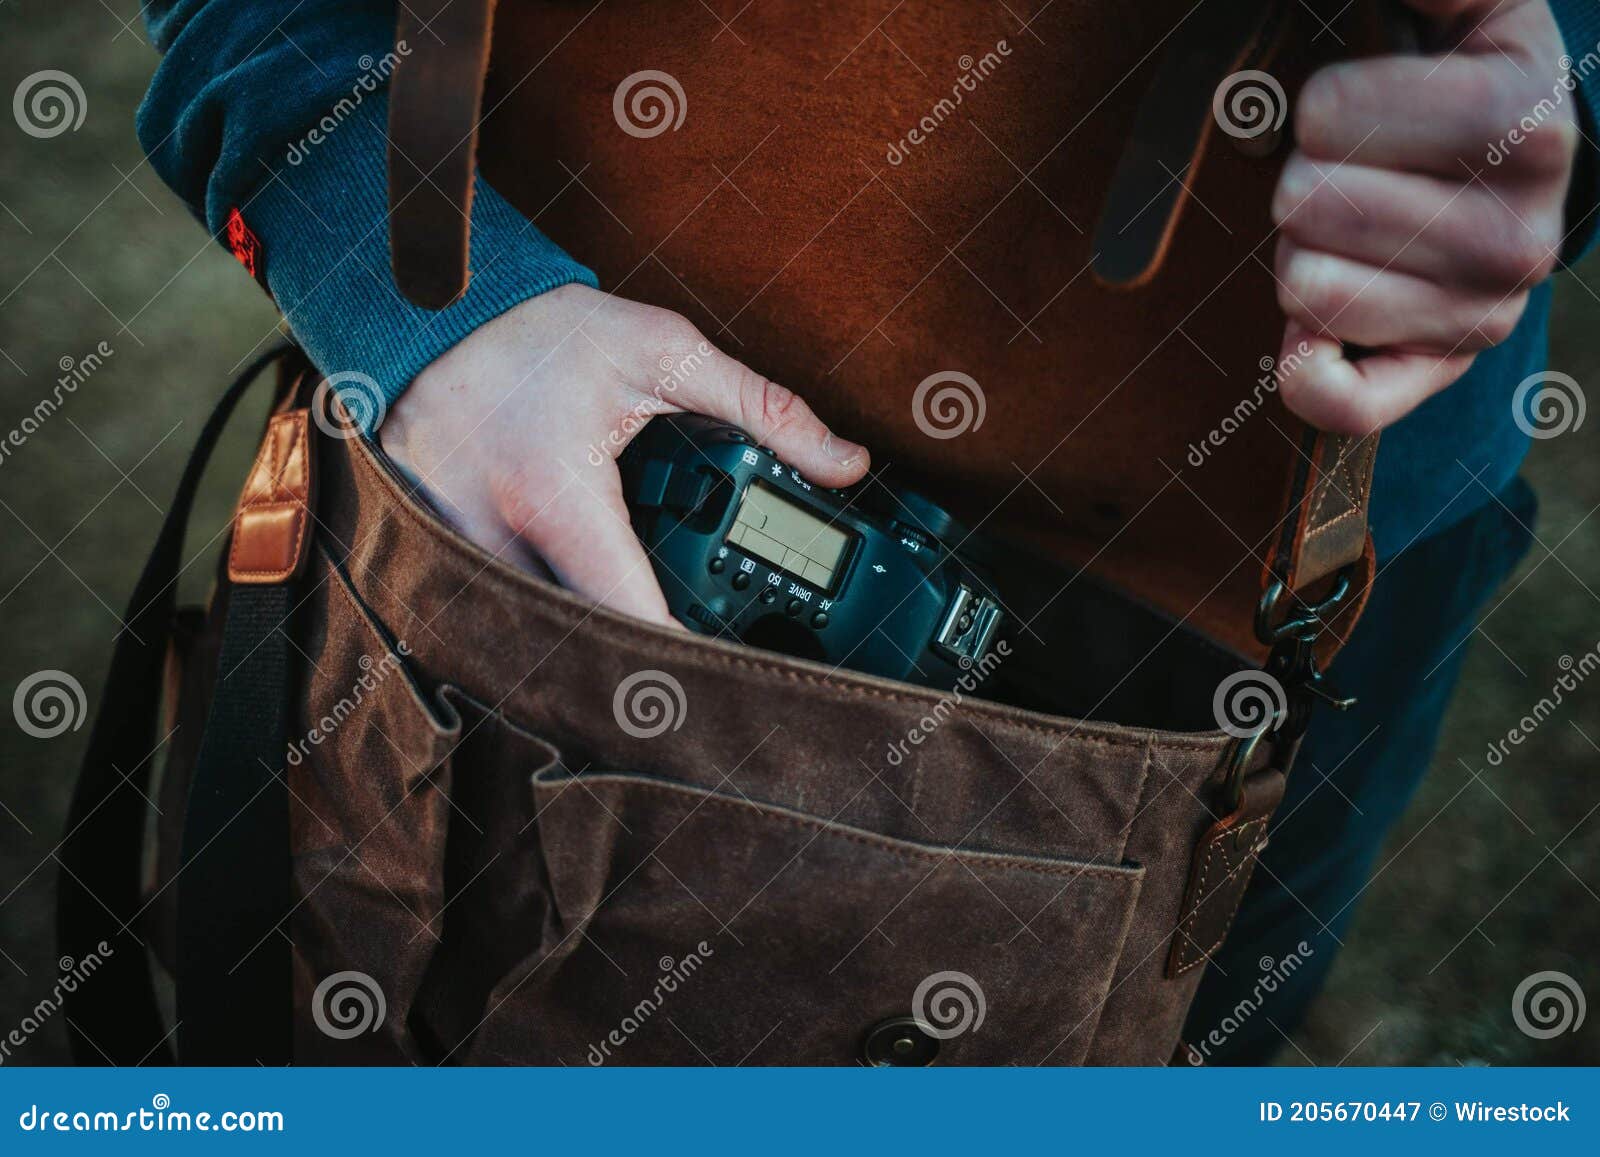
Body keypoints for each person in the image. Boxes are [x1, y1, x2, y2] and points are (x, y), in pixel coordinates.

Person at [137, 0, 1600, 1062]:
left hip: (1280, 561)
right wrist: (408, 293)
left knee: (1201, 1041)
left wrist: (1556, 79)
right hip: (523, 432)